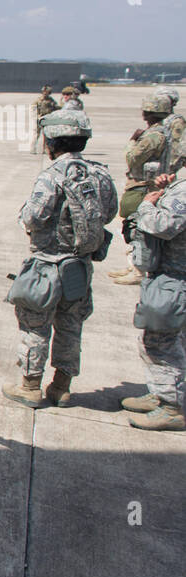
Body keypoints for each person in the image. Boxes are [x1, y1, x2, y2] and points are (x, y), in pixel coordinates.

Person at [2, 111, 118, 408]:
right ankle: (61, 388)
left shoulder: (52, 175)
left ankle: (30, 386)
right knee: (70, 326)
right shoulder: (100, 173)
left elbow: (33, 217)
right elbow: (110, 212)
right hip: (79, 267)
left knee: (35, 326)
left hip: (46, 268)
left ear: (51, 140)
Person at [121, 169, 186, 431]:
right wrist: (168, 188)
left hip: (175, 279)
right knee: (174, 340)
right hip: (172, 277)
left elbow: (164, 226)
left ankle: (171, 408)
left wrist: (147, 205)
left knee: (159, 342)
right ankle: (162, 394)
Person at [109, 95, 172, 286]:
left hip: (142, 187)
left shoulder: (151, 136)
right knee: (135, 226)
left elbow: (132, 158)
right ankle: (133, 264)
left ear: (147, 113)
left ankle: (137, 270)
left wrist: (132, 141)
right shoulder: (163, 132)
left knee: (134, 227)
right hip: (148, 185)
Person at [31, 85, 59, 155]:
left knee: (46, 135)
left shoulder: (51, 100)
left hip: (47, 119)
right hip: (39, 119)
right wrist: (36, 117)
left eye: (48, 92)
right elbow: (33, 108)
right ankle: (33, 148)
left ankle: (45, 149)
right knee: (36, 135)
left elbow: (55, 108)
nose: (46, 93)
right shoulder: (38, 100)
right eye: (45, 92)